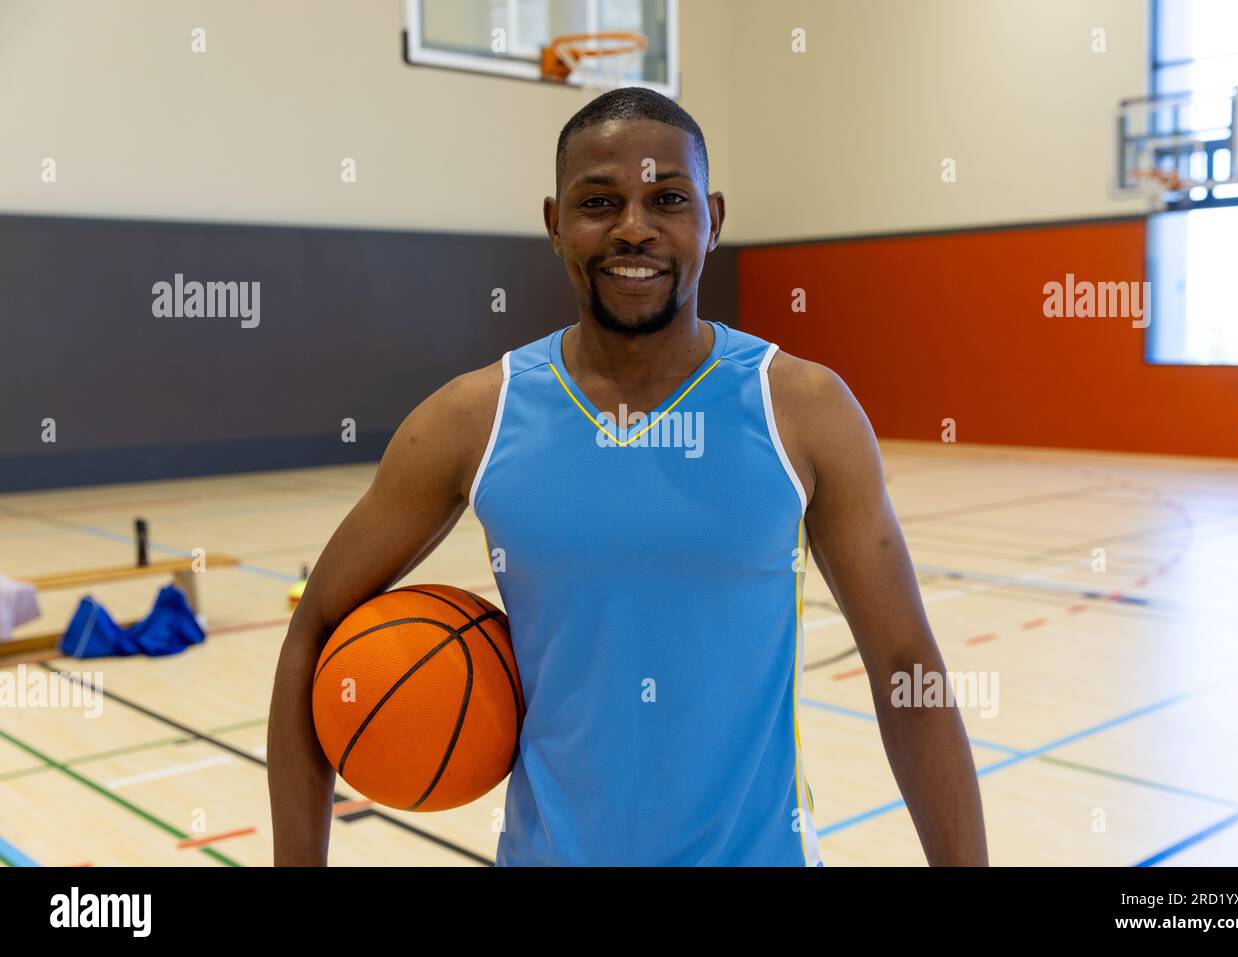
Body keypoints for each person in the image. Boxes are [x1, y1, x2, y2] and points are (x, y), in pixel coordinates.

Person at [268, 87, 987, 866]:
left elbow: (906, 668)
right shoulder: (473, 419)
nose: (634, 228)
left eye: (667, 199)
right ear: (554, 224)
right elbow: (312, 632)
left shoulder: (803, 411)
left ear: (712, 217)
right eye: (599, 202)